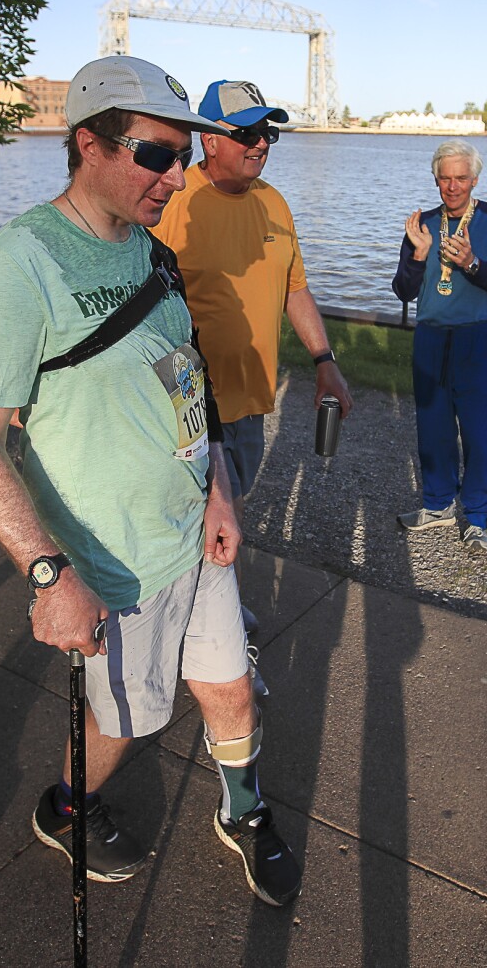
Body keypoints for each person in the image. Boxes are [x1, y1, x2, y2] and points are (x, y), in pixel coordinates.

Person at [0, 55, 303, 907]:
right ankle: (67, 806)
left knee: (229, 688)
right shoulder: (20, 262)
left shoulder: (153, 252)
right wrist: (48, 573)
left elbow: (188, 382)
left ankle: (243, 812)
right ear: (88, 145)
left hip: (194, 532)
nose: (175, 177)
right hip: (111, 566)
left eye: (182, 156)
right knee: (123, 723)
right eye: (155, 155)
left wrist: (219, 487)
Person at [151, 78, 355, 693]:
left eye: (268, 132)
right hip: (183, 406)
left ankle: (209, 608)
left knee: (229, 513)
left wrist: (324, 358)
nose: (262, 143)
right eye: (246, 133)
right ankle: (216, 648)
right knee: (202, 522)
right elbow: (140, 294)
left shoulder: (273, 202)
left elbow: (294, 287)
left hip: (250, 402)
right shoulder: (174, 198)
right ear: (208, 139)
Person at [392, 139, 487, 551]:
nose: (453, 187)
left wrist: (472, 264)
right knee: (432, 426)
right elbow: (402, 291)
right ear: (436, 179)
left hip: (480, 337)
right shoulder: (423, 225)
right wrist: (418, 256)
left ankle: (479, 514)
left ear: (475, 179)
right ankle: (437, 504)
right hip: (432, 338)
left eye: (461, 178)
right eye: (445, 178)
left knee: (478, 430)